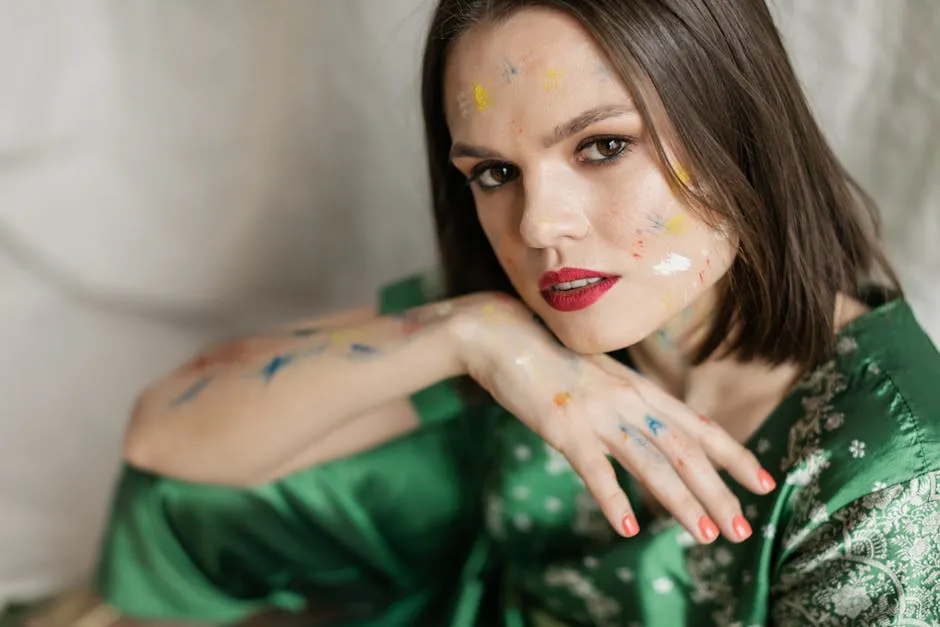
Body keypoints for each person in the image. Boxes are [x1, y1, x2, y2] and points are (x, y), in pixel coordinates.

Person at [88, 0, 940, 625]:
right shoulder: (535, 323)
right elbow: (164, 441)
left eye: (603, 146)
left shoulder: (893, 483)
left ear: (737, 130)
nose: (537, 224)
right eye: (494, 173)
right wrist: (473, 335)